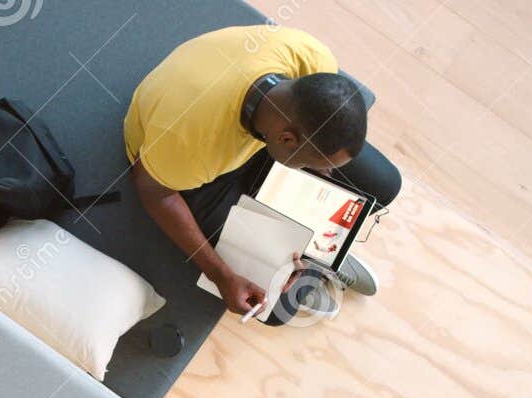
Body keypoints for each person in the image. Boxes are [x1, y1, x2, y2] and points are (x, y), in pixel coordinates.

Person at [124, 26, 402, 316]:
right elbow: (154, 192)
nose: (327, 172)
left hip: (258, 136)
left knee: (384, 185)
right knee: (278, 302)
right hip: (186, 174)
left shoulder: (312, 57)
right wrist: (221, 276)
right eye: (319, 164)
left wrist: (318, 175)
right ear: (287, 140)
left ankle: (321, 253)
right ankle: (315, 254)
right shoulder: (187, 140)